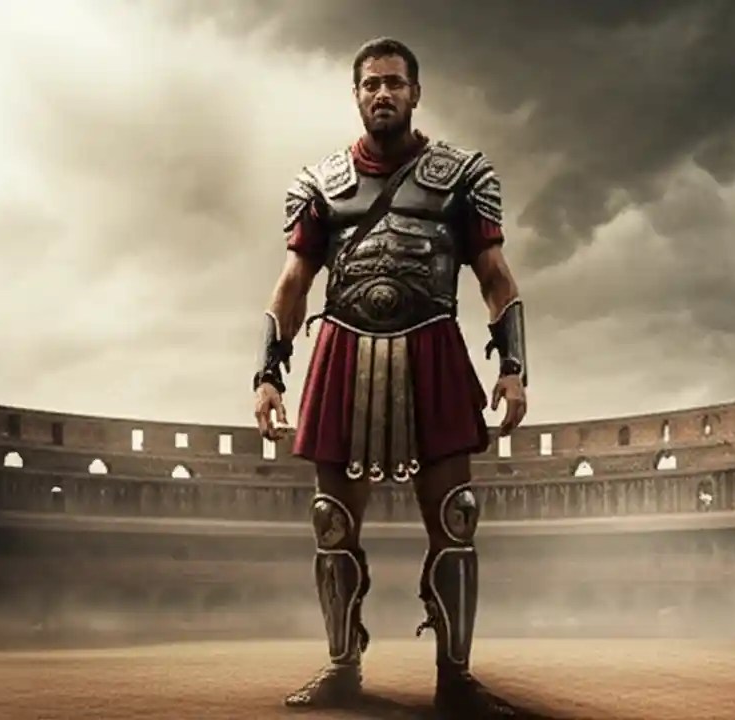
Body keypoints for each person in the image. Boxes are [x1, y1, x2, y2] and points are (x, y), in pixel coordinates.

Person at [252, 37, 528, 718]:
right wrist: (267, 374)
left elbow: (494, 277)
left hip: (432, 346)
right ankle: (343, 668)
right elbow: (292, 284)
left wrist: (515, 368)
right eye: (371, 84)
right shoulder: (319, 184)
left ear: (415, 93)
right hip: (344, 351)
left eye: (394, 84)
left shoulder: (462, 175)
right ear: (357, 95)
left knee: (456, 520)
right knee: (332, 523)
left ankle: (456, 678)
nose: (382, 94)